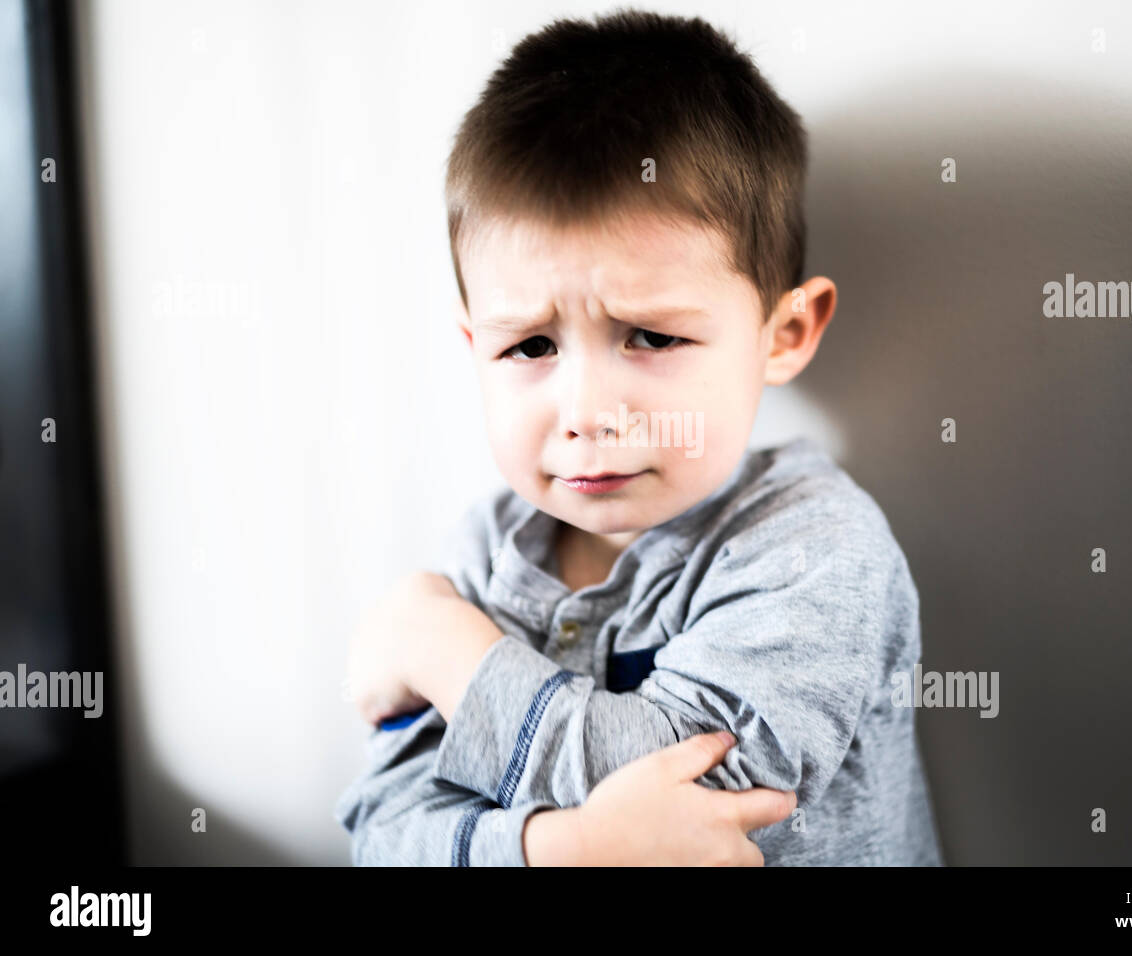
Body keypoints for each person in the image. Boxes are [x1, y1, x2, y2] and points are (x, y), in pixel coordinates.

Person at [335, 9, 943, 867]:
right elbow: (386, 831)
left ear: (784, 333)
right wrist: (561, 850)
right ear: (476, 348)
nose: (587, 411)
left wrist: (440, 647)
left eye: (651, 338)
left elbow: (694, 806)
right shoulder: (482, 554)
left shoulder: (814, 550)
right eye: (531, 346)